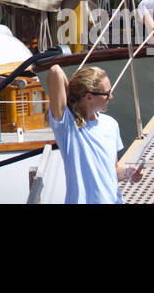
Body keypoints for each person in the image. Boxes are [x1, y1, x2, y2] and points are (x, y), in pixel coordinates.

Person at [44, 64, 142, 203]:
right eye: (107, 93)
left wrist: (128, 172)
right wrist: (72, 92)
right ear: (88, 97)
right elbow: (55, 71)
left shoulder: (111, 124)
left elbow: (112, 170)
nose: (111, 97)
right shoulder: (68, 126)